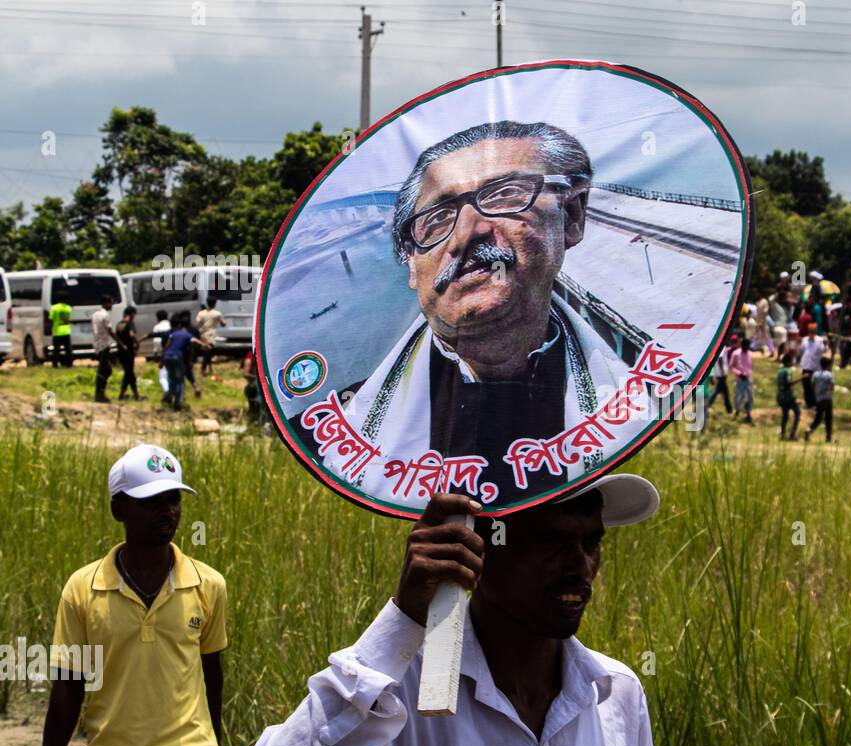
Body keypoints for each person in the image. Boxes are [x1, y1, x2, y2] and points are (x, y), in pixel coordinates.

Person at [241, 478, 662, 746]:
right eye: (551, 541)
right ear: (474, 546)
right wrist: (403, 619)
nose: (581, 566)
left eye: (592, 542)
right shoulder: (392, 698)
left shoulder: (615, 695)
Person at [301, 121, 637, 506]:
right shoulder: (342, 431)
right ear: (411, 265)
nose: (467, 234)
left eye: (504, 196)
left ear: (572, 217)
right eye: (439, 218)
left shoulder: (640, 392)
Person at [27, 444, 226, 746]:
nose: (167, 511)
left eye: (173, 499)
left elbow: (212, 675)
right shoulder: (82, 590)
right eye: (151, 501)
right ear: (118, 509)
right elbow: (69, 687)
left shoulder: (208, 585)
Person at [161, 314, 208, 412]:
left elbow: (166, 347)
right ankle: (178, 404)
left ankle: (168, 396)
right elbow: (193, 343)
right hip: (177, 358)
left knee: (171, 378)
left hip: (167, 357)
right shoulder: (188, 335)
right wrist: (203, 345)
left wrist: (162, 361)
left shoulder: (173, 334)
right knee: (179, 381)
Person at [91, 295, 116, 404]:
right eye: (111, 303)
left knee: (105, 369)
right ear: (106, 303)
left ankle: (100, 393)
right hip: (104, 345)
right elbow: (110, 331)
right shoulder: (105, 315)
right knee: (104, 370)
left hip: (97, 344)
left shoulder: (95, 314)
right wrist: (120, 343)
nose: (112, 305)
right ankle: (100, 394)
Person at [804, 356, 834, 442]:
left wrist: (817, 393)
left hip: (819, 398)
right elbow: (831, 386)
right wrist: (829, 391)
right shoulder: (829, 374)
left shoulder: (816, 374)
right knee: (828, 417)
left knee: (819, 417)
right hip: (827, 398)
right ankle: (828, 437)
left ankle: (809, 429)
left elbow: (812, 385)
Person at [115, 305, 141, 401]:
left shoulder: (119, 324)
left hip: (120, 351)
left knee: (129, 373)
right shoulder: (130, 323)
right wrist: (137, 343)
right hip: (129, 351)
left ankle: (136, 395)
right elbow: (131, 334)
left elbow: (117, 337)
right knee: (129, 373)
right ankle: (122, 395)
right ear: (131, 314)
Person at [195, 298, 226, 376]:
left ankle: (209, 369)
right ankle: (203, 369)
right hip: (211, 335)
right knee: (208, 352)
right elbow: (223, 324)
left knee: (208, 352)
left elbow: (198, 323)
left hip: (202, 334)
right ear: (215, 303)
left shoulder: (201, 313)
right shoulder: (217, 313)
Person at [799, 324, 827, 409]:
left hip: (815, 367)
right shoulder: (805, 340)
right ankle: (809, 403)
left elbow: (823, 350)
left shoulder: (819, 340)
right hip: (806, 366)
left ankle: (816, 403)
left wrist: (825, 344)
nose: (811, 333)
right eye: (810, 331)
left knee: (815, 386)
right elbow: (802, 350)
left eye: (813, 331)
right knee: (806, 386)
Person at [776, 350, 801, 440]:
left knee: (785, 415)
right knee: (797, 413)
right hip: (788, 396)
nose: (792, 362)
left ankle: (783, 433)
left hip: (780, 395)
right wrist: (801, 378)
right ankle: (792, 433)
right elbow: (788, 383)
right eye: (791, 361)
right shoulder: (787, 371)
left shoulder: (780, 371)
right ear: (787, 361)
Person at [729, 337, 755, 425]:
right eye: (745, 345)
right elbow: (732, 366)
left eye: (748, 346)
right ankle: (736, 411)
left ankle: (748, 414)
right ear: (742, 345)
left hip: (748, 379)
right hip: (739, 379)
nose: (746, 347)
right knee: (738, 396)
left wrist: (748, 374)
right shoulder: (736, 354)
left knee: (750, 396)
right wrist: (739, 373)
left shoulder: (750, 354)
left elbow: (750, 366)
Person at [706, 339, 733, 414]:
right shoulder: (721, 347)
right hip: (721, 374)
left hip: (720, 373)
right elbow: (720, 358)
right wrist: (723, 371)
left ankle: (729, 409)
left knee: (721, 391)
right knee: (722, 392)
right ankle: (729, 409)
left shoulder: (722, 347)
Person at [50, 296, 74, 367]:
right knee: (68, 350)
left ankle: (55, 365)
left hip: (57, 332)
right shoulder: (69, 308)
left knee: (56, 350)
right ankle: (69, 364)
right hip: (67, 331)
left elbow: (51, 318)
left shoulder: (54, 308)